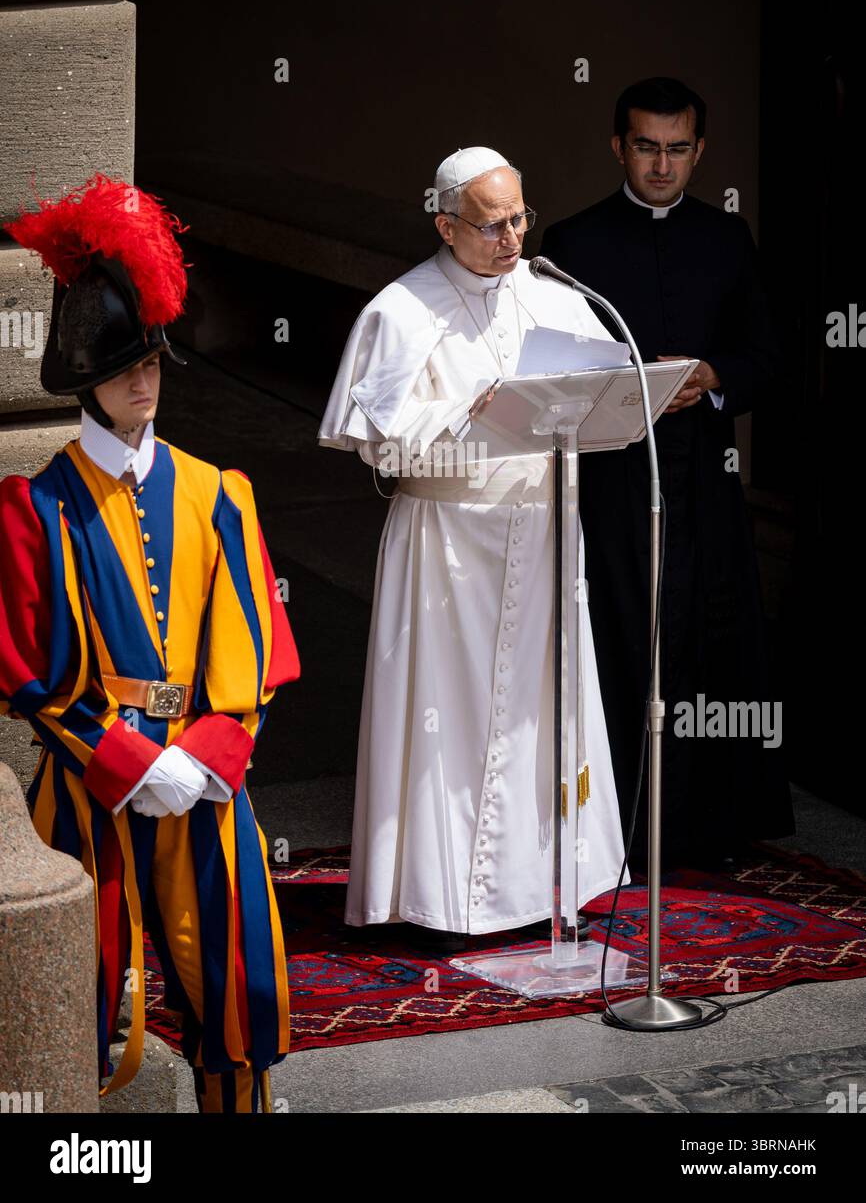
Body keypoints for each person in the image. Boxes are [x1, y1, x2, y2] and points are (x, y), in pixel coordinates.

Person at [0, 174, 300, 1112]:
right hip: (96, 788)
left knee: (236, 995)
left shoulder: (220, 492)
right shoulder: (35, 507)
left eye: (155, 361)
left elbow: (251, 655)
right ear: (87, 375)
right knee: (83, 1005)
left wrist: (209, 754)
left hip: (206, 780)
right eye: (127, 363)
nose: (145, 378)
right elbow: (39, 684)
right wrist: (132, 761)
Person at [319, 146, 628, 945]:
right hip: (449, 546)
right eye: (492, 225)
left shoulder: (555, 296)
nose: (511, 239)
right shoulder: (403, 310)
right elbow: (380, 448)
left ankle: (543, 888)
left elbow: (603, 393)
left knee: (539, 720)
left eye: (520, 217)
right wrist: (472, 409)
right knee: (441, 721)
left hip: (544, 530)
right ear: (445, 224)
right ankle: (435, 900)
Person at [540, 78, 794, 869]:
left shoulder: (728, 239)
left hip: (705, 484)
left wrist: (712, 375)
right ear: (619, 146)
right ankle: (612, 828)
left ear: (699, 152)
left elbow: (766, 356)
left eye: (677, 149)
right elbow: (548, 365)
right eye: (646, 147)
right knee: (620, 637)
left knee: (710, 637)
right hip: (616, 486)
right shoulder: (573, 244)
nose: (661, 165)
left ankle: (710, 826)